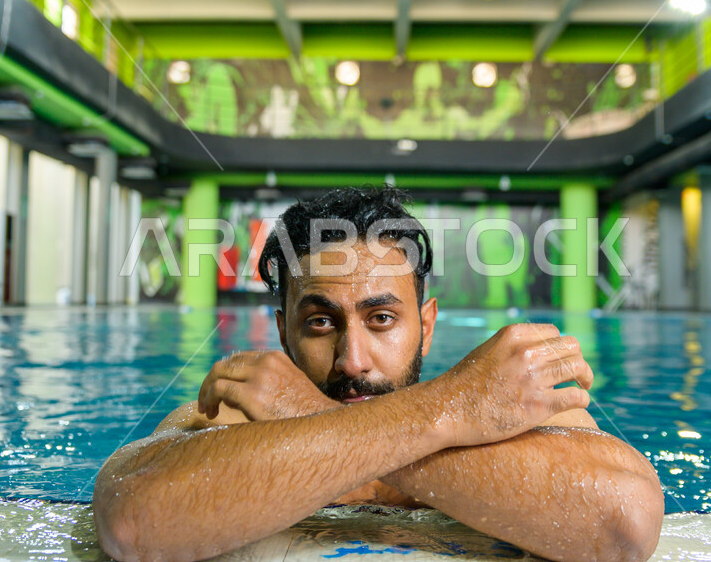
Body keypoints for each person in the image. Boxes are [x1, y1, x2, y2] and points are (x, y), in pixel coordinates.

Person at [93, 186, 663, 562]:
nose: (353, 360)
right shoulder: (233, 414)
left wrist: (313, 419)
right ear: (283, 329)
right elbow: (132, 520)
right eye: (320, 321)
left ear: (428, 325)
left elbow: (626, 526)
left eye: (382, 318)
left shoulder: (511, 410)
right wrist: (451, 413)